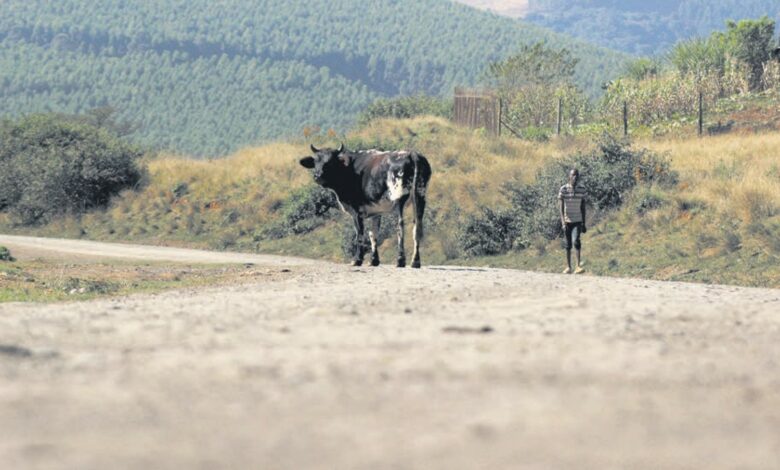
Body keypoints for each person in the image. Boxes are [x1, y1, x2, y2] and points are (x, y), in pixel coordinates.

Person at [558, 168, 587, 274]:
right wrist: (562, 222)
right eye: (573, 175)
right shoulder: (563, 189)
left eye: (576, 175)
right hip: (567, 221)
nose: (575, 177)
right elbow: (561, 207)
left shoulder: (582, 189)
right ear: (569, 176)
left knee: (576, 241)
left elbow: (583, 207)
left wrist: (583, 223)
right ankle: (568, 267)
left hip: (577, 220)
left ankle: (578, 266)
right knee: (568, 244)